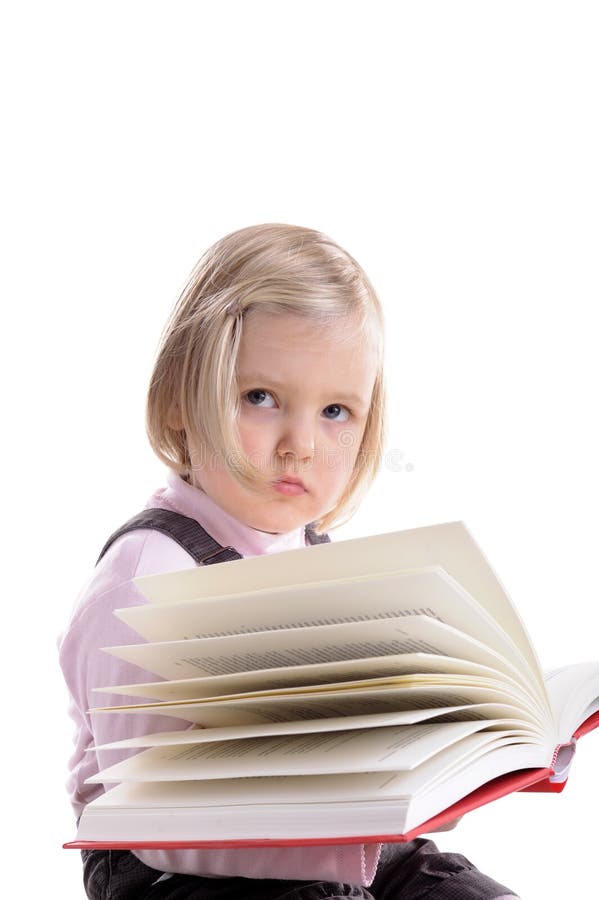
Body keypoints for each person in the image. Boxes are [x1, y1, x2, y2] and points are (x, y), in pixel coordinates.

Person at [58, 223, 519, 899]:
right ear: (181, 400)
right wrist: (333, 858)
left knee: (456, 888)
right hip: (174, 865)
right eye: (260, 399)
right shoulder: (146, 578)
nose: (300, 445)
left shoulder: (318, 564)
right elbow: (150, 823)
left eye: (335, 411)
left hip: (327, 832)